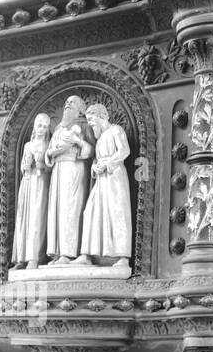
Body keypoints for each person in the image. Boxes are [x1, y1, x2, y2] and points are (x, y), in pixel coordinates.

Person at [77, 103, 132, 268]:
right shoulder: (100, 138)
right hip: (102, 179)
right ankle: (87, 254)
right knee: (91, 212)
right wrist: (95, 166)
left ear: (102, 117)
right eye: (88, 121)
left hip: (115, 177)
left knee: (117, 213)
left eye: (92, 120)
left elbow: (124, 151)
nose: (91, 123)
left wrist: (108, 163)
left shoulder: (116, 130)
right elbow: (98, 159)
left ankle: (122, 256)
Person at [45, 95, 93, 264]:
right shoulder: (58, 128)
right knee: (57, 210)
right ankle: (58, 253)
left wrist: (76, 142)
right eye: (66, 103)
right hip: (58, 170)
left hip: (74, 167)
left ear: (80, 109)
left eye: (72, 103)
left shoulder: (84, 125)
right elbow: (49, 151)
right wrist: (52, 153)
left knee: (70, 209)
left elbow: (89, 151)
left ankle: (69, 252)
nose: (67, 105)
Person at [11, 113, 52, 268]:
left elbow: (51, 166)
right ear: (34, 126)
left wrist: (40, 163)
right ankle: (21, 258)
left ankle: (34, 257)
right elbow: (23, 166)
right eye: (39, 125)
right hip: (27, 183)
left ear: (48, 129)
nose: (41, 129)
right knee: (24, 219)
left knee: (37, 218)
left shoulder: (48, 145)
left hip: (41, 182)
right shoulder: (28, 145)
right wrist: (26, 166)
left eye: (44, 126)